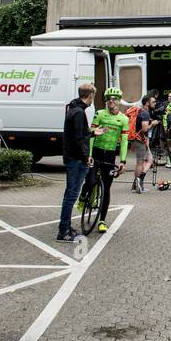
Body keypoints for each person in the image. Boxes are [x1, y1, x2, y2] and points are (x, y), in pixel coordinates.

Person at [84, 87, 129, 233]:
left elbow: (124, 142)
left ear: (119, 101)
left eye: (115, 98)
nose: (111, 100)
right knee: (90, 181)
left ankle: (102, 220)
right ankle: (85, 195)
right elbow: (91, 134)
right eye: (109, 98)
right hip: (96, 152)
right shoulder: (99, 114)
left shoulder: (124, 119)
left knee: (107, 189)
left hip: (110, 154)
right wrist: (89, 155)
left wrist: (122, 161)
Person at [57, 81, 95, 242]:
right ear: (90, 96)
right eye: (93, 95)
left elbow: (78, 134)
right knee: (72, 195)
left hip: (72, 157)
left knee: (69, 194)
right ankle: (63, 231)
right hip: (76, 160)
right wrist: (86, 157)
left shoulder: (73, 109)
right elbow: (78, 139)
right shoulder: (79, 113)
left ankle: (65, 227)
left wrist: (92, 133)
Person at [130, 93, 156, 192]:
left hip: (140, 140)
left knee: (150, 160)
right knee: (140, 163)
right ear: (147, 103)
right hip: (140, 140)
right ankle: (137, 186)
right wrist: (152, 124)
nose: (155, 103)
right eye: (153, 102)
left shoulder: (141, 111)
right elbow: (145, 129)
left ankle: (138, 181)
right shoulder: (145, 113)